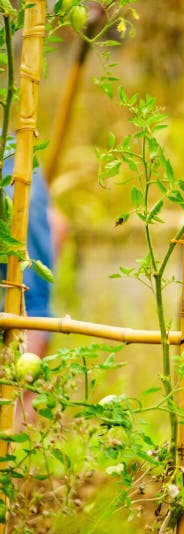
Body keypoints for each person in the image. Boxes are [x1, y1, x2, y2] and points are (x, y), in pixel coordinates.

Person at [1, 146, 65, 426]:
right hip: (34, 312)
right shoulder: (19, 151)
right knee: (20, 399)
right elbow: (59, 225)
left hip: (20, 309)